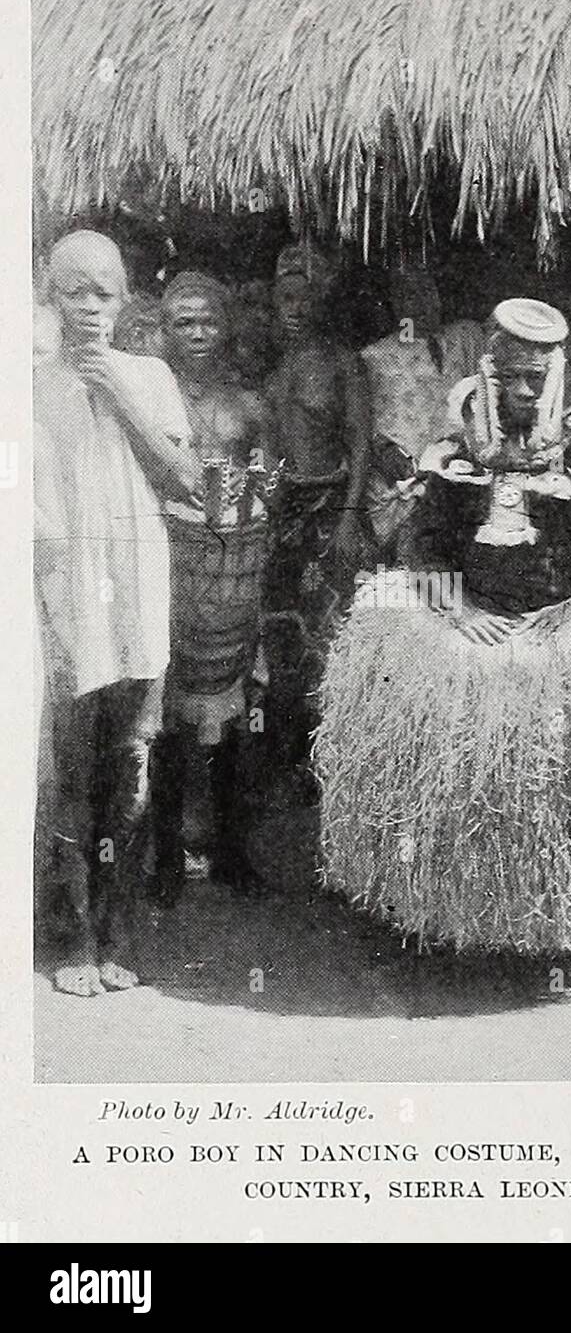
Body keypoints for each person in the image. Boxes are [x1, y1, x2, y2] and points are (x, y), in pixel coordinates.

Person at [314, 299, 571, 956]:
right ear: (487, 379)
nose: (524, 391)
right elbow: (423, 545)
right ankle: (452, 912)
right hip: (469, 620)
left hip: (561, 627)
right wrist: (456, 612)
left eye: (537, 379)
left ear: (558, 383)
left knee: (558, 768)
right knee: (456, 760)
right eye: (512, 377)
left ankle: (557, 913)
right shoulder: (455, 460)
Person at [34, 231, 196, 995]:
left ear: (127, 298)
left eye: (104, 291)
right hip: (68, 595)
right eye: (75, 291)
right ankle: (72, 938)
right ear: (50, 295)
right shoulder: (27, 385)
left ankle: (118, 932)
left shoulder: (152, 375)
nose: (90, 307)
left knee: (132, 763)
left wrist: (120, 392)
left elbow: (191, 482)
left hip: (137, 589)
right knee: (72, 767)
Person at [150, 271, 274, 903]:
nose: (198, 334)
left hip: (232, 573)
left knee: (235, 717)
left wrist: (240, 556)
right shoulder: (149, 398)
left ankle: (231, 852)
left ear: (227, 327)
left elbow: (263, 492)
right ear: (164, 329)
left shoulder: (247, 404)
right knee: (169, 719)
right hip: (168, 573)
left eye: (209, 322)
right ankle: (166, 859)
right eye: (183, 322)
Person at [261, 243, 372, 783]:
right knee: (284, 637)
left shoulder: (340, 362)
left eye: (307, 299)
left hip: (331, 508)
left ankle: (334, 761)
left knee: (331, 637)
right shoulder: (276, 370)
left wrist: (350, 518)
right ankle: (292, 757)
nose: (296, 309)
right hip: (284, 515)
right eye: (287, 298)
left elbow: (360, 443)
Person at [360, 265, 485, 555]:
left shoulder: (465, 339)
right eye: (408, 295)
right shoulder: (374, 358)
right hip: (409, 488)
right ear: (393, 305)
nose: (420, 303)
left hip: (463, 477)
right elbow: (367, 433)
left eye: (427, 291)